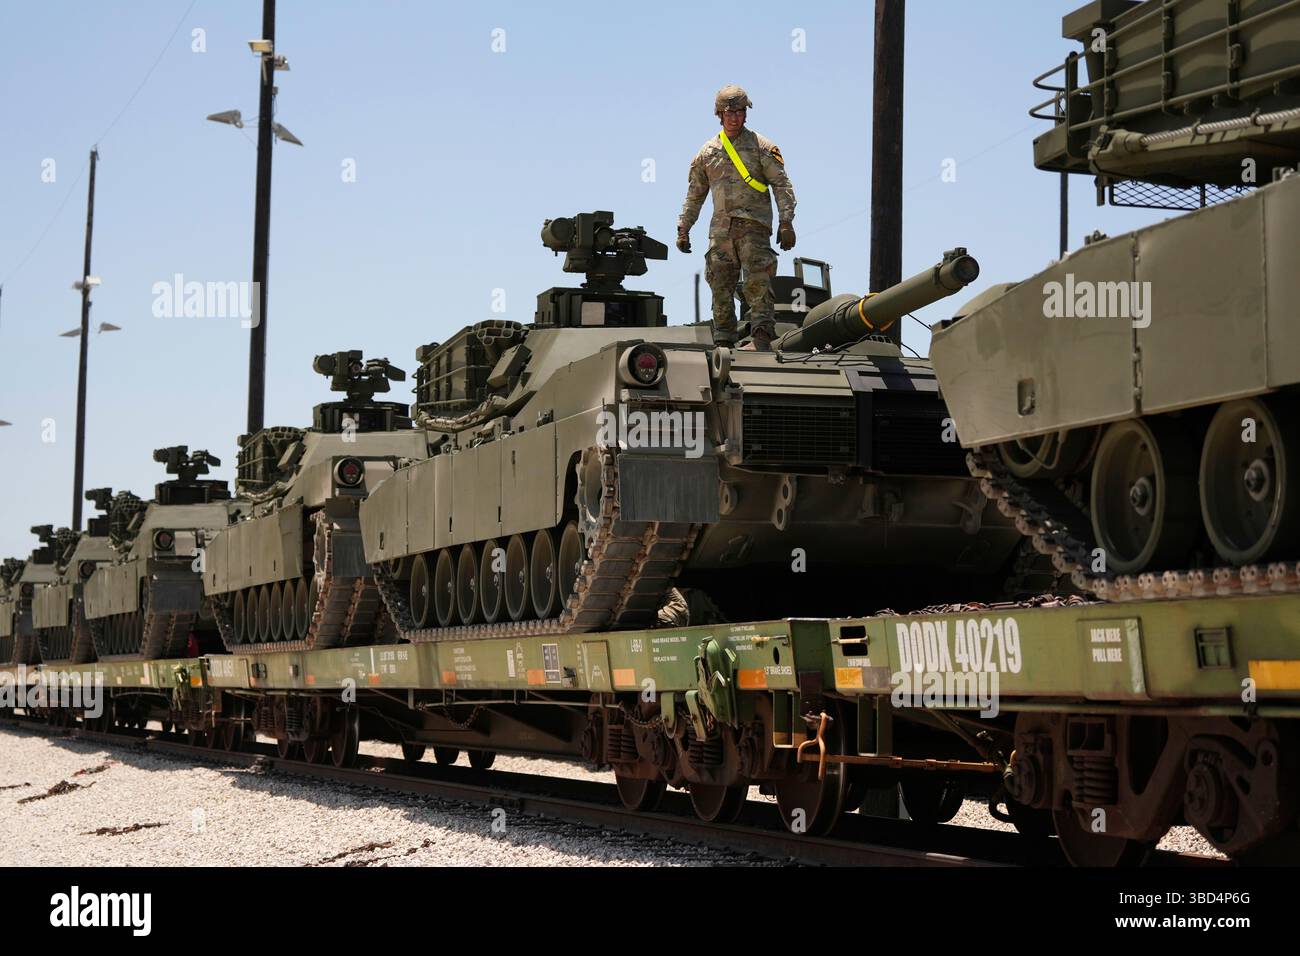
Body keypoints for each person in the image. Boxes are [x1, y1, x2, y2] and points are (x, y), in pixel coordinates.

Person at [677, 85, 797, 351]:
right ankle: (723, 340)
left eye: (740, 112)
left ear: (746, 113)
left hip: (754, 228)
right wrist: (684, 227)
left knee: (758, 282)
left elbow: (781, 184)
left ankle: (762, 337)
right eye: (729, 112)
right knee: (720, 286)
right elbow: (695, 194)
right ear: (719, 114)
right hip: (720, 233)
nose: (734, 117)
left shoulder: (761, 147)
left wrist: (786, 221)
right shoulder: (707, 153)